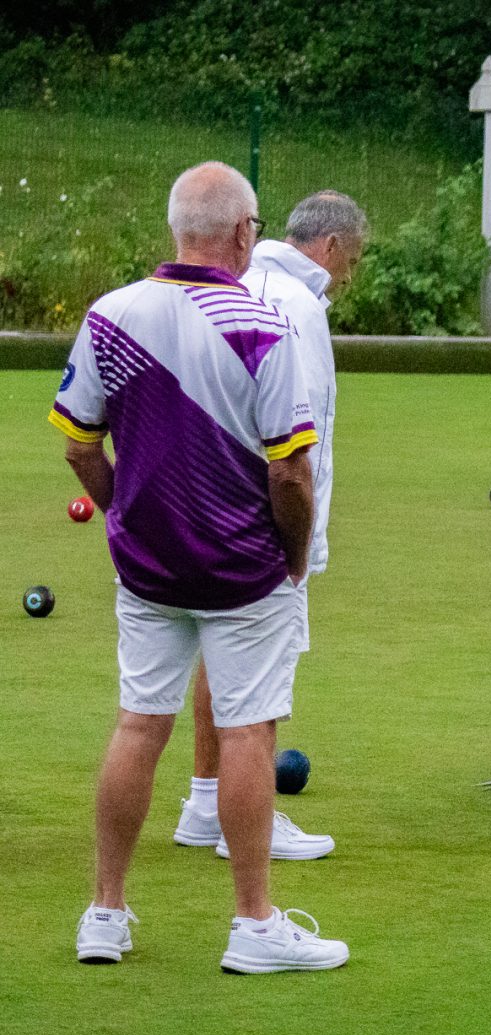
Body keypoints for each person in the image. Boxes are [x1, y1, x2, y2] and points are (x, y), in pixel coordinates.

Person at [54, 162, 348, 973]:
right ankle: (254, 927)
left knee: (138, 724)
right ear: (244, 232)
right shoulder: (263, 325)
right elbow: (289, 473)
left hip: (147, 569)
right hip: (243, 571)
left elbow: (80, 439)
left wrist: (122, 513)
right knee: (248, 731)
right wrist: (293, 558)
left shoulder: (109, 315)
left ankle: (104, 915)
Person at [171, 191, 368, 861]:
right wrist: (299, 540)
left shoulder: (244, 279)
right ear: (334, 248)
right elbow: (295, 436)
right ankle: (248, 824)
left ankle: (205, 804)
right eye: (355, 259)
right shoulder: (300, 307)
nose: (351, 274)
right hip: (266, 521)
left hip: (212, 510)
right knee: (262, 675)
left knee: (218, 657)